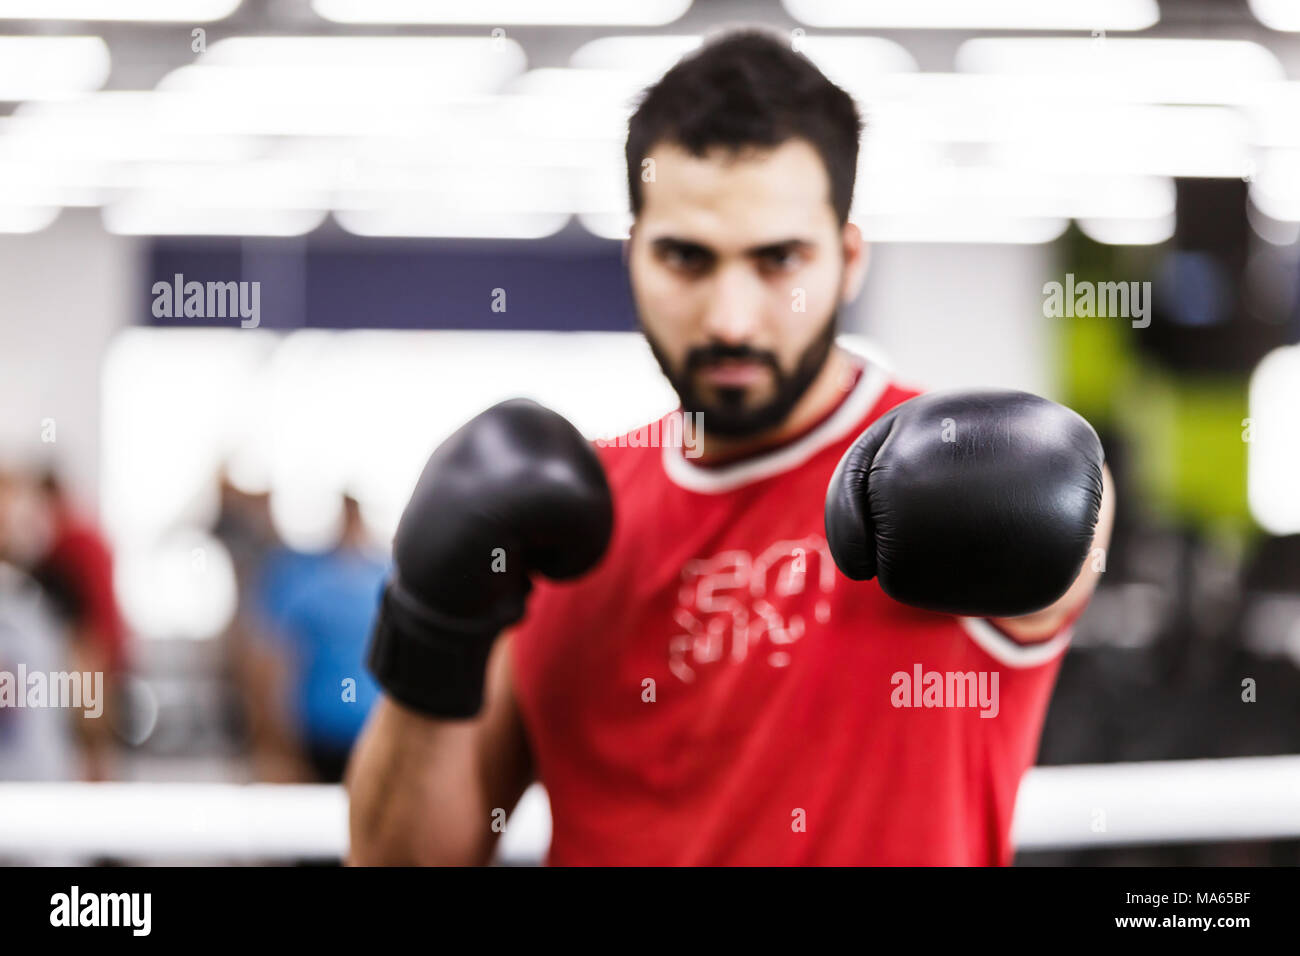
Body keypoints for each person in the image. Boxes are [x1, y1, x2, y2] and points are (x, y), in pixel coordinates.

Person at [348, 29, 1116, 866]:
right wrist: (430, 621)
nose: (731, 318)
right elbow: (400, 860)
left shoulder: (938, 480)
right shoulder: (562, 518)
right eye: (686, 258)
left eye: (778, 258)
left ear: (847, 259)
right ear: (633, 254)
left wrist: (1068, 490)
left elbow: (1075, 526)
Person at [254, 495, 387, 783]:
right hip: (317, 736)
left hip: (371, 731)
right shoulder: (301, 580)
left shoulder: (386, 578)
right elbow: (275, 663)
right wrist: (276, 742)